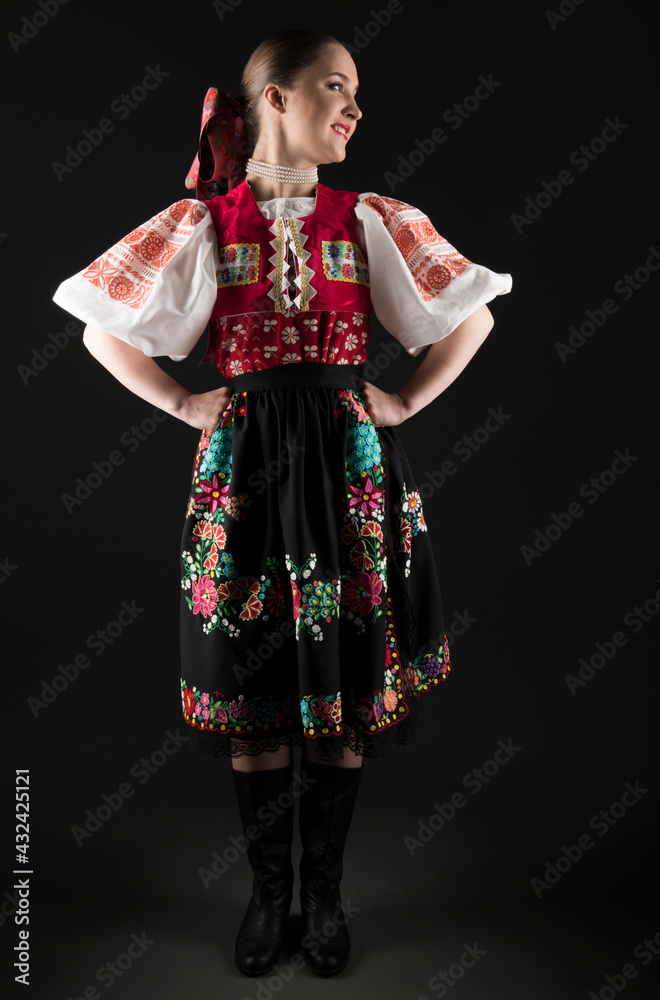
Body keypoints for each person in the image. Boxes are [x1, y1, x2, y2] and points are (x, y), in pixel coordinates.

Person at [52, 28, 512, 979]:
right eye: (334, 88)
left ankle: (327, 898)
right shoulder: (204, 225)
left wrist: (406, 400)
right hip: (245, 464)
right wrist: (182, 402)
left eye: (356, 92)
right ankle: (271, 898)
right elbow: (101, 326)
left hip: (347, 465)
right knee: (254, 692)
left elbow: (473, 312)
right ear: (274, 99)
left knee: (338, 687)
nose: (353, 107)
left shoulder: (370, 217)